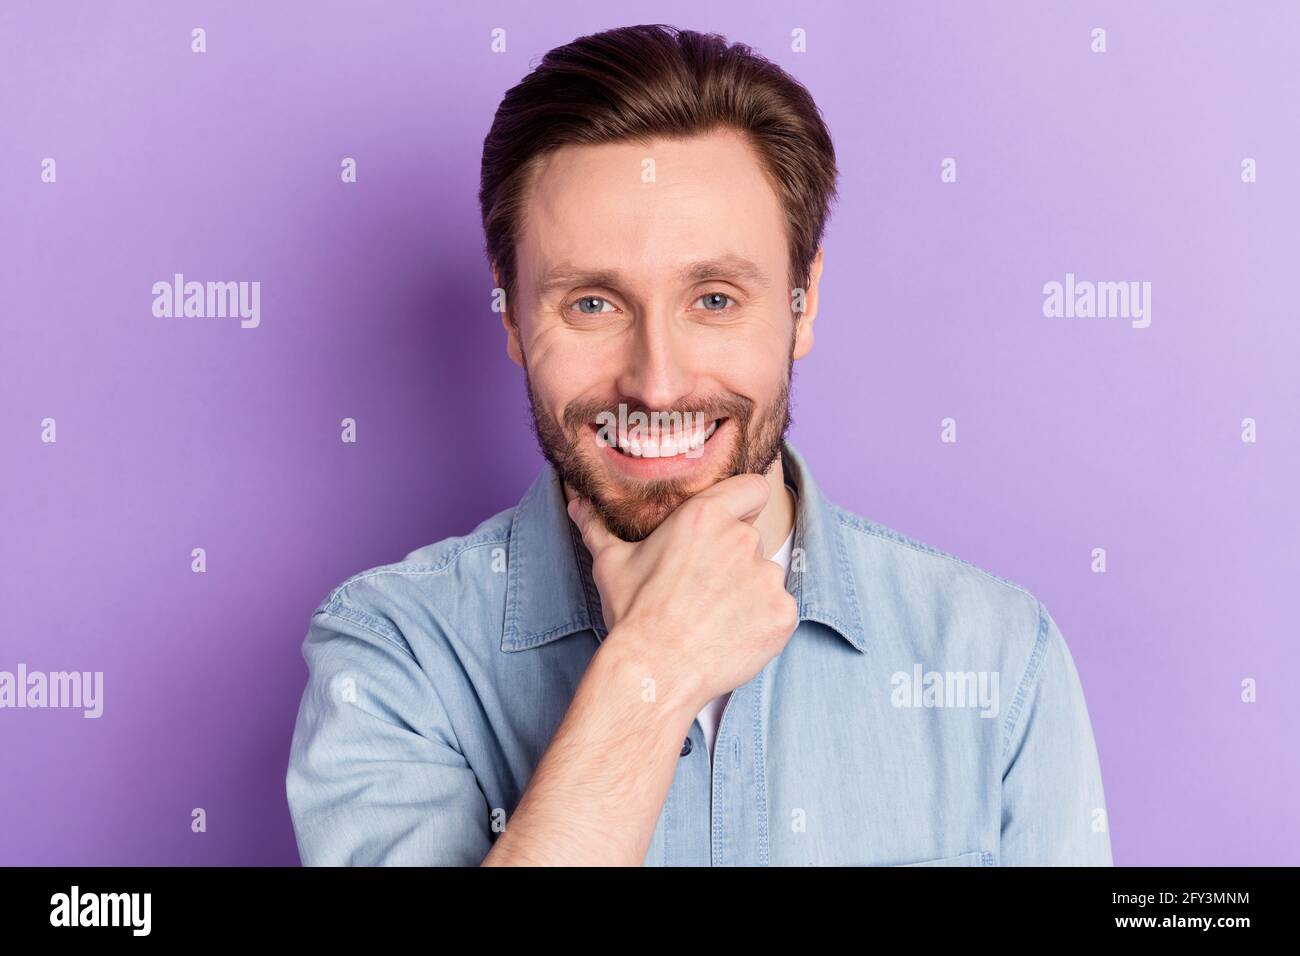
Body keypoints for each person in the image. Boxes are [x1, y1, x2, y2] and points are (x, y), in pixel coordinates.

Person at [285, 23, 1112, 866]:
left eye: (714, 299)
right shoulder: (394, 653)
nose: (658, 382)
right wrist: (653, 669)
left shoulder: (997, 657)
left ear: (803, 301)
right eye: (592, 304)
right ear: (512, 319)